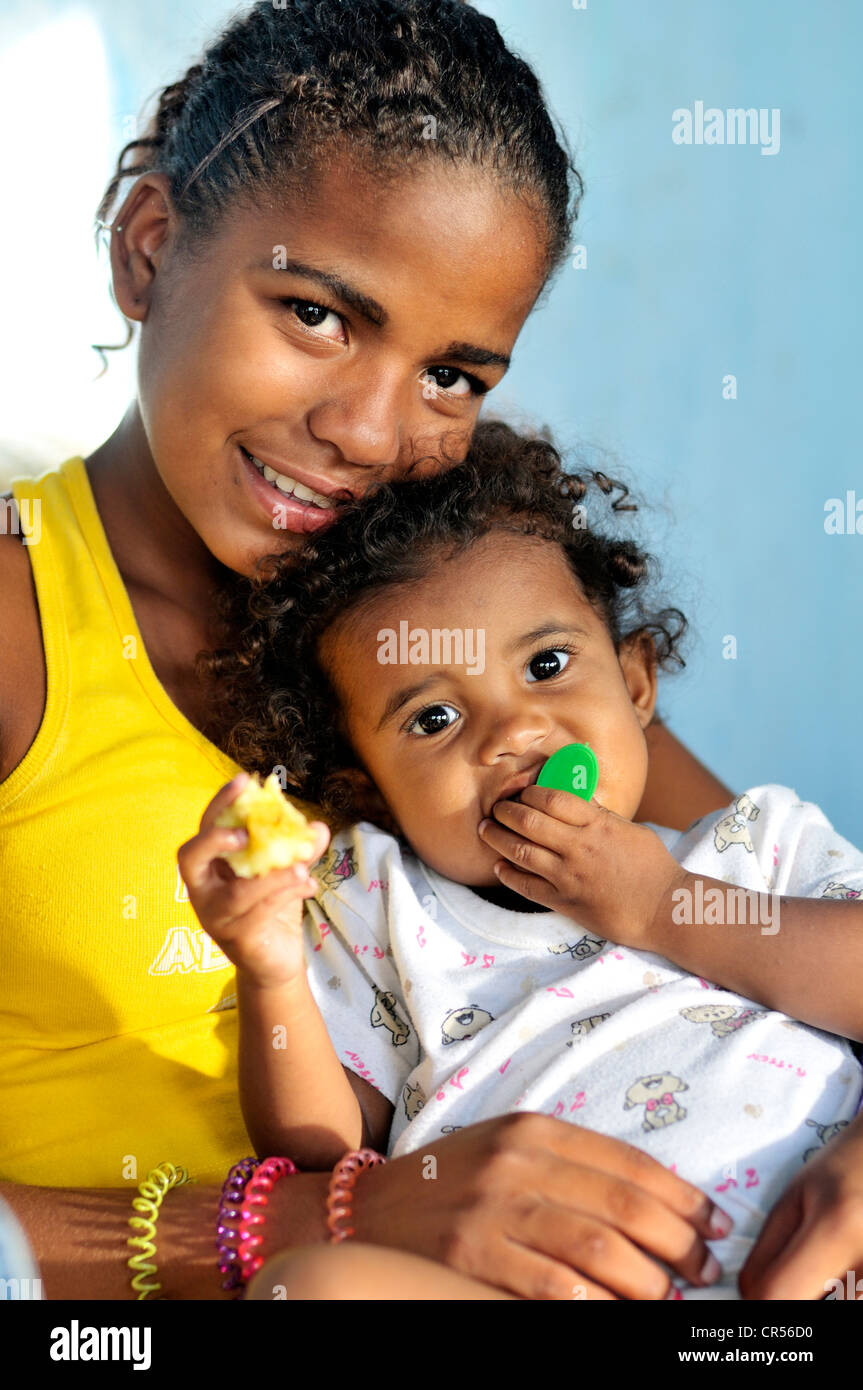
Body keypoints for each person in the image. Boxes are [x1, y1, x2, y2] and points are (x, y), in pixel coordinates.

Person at [0, 0, 742, 1301]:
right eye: (317, 314)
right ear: (149, 247)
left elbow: (777, 918)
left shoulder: (479, 643)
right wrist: (297, 1220)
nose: (367, 429)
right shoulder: (21, 629)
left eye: (452, 375)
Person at [181, 422, 863, 1300]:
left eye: (546, 664)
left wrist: (661, 907)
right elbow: (327, 1151)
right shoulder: (377, 910)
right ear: (371, 793)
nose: (512, 732)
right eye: (433, 719)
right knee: (317, 1284)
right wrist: (270, 969)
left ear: (636, 683)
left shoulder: (753, 846)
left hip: (818, 1271)